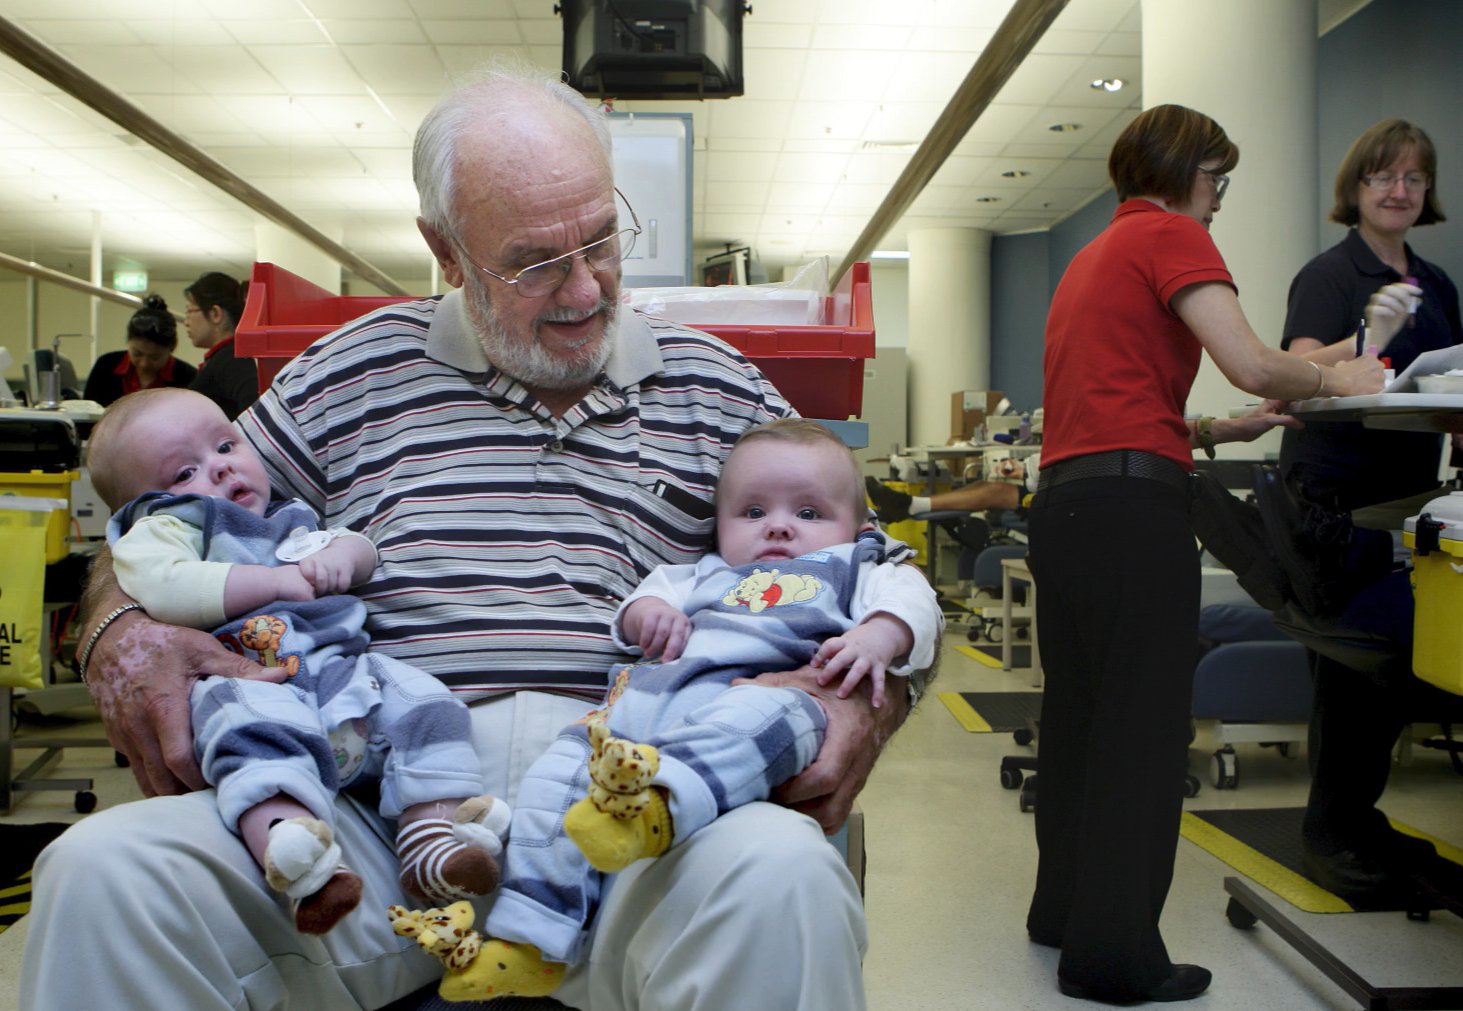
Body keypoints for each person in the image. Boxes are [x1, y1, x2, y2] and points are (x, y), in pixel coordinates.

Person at [22, 63, 901, 1011]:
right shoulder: (348, 372)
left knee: (785, 875)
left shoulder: (719, 388)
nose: (583, 287)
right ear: (444, 250)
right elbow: (153, 527)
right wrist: (123, 632)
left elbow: (875, 572)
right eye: (532, 261)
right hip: (374, 805)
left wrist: (862, 700)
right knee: (102, 871)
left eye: (601, 239)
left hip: (633, 805)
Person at [1024, 103, 1384, 1005]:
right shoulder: (1170, 234)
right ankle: (1112, 956)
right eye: (1216, 176)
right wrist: (1332, 377)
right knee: (1142, 732)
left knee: (1079, 717)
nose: (1219, 195)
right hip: (1129, 512)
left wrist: (1226, 428)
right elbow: (1253, 361)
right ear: (1185, 171)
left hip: (1067, 506)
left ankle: (1062, 911)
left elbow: (1132, 397)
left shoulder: (1092, 256)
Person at [461, 419, 941, 999]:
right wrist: (649, 618)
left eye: (809, 514)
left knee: (756, 724)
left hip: (766, 699)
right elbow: (642, 603)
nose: (780, 528)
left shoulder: (858, 568)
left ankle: (659, 809)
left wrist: (877, 639)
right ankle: (530, 940)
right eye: (753, 512)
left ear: (861, 528)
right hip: (639, 715)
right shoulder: (699, 574)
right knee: (556, 780)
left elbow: (915, 606)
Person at [85, 387, 508, 935]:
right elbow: (165, 586)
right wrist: (276, 581)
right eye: (183, 472)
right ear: (142, 502)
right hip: (253, 678)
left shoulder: (286, 515)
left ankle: (431, 838)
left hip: (344, 674)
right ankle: (298, 859)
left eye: (224, 446)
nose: (217, 471)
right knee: (251, 741)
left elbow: (358, 546)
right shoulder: (167, 527)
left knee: (425, 702)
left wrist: (343, 557)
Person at [1269, 119, 1463, 906]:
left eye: (1413, 179)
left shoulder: (1439, 283)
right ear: (1353, 189)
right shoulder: (1329, 274)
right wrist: (1367, 338)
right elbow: (1293, 375)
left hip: (1410, 505)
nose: (1398, 191)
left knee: (1388, 678)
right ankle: (1331, 832)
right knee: (1350, 677)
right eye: (1382, 177)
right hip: (1335, 502)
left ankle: (1354, 818)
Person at [81, 293, 197, 406]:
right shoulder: (106, 365)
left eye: (155, 357)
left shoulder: (188, 377)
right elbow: (88, 413)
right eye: (137, 354)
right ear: (128, 342)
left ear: (172, 349)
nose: (144, 364)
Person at [864, 455, 1037, 522]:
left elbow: (1034, 481)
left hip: (1048, 499)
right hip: (1045, 489)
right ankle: (908, 505)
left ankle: (908, 504)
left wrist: (1023, 470)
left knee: (995, 492)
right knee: (981, 485)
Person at [184, 270, 261, 420]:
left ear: (215, 314)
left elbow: (254, 410)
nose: (186, 322)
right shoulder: (225, 357)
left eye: (189, 311)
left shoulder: (232, 360)